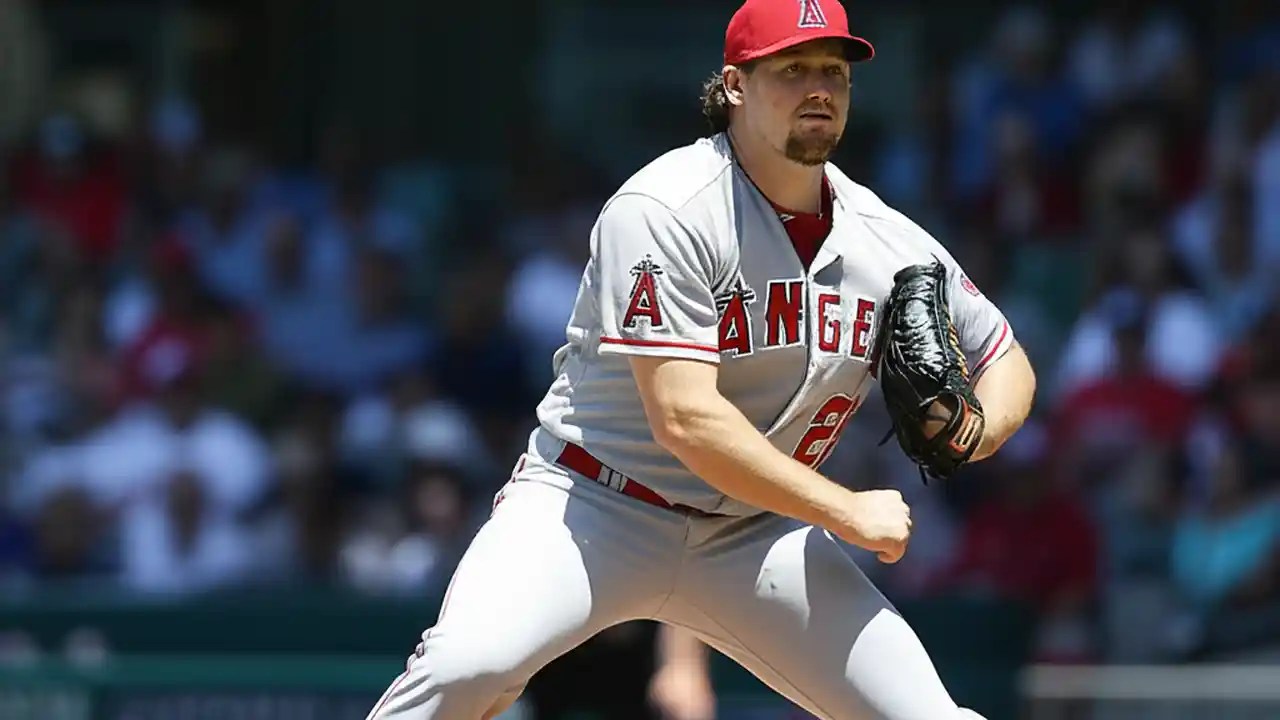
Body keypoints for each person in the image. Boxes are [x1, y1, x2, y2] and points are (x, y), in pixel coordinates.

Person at [365, 0, 1036, 718]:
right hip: (595, 504)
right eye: (792, 69)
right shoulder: (666, 207)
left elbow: (1007, 358)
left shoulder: (887, 240)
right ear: (735, 85)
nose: (819, 89)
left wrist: (975, 431)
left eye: (834, 73)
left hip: (754, 531)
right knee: (467, 670)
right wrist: (844, 510)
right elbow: (686, 420)